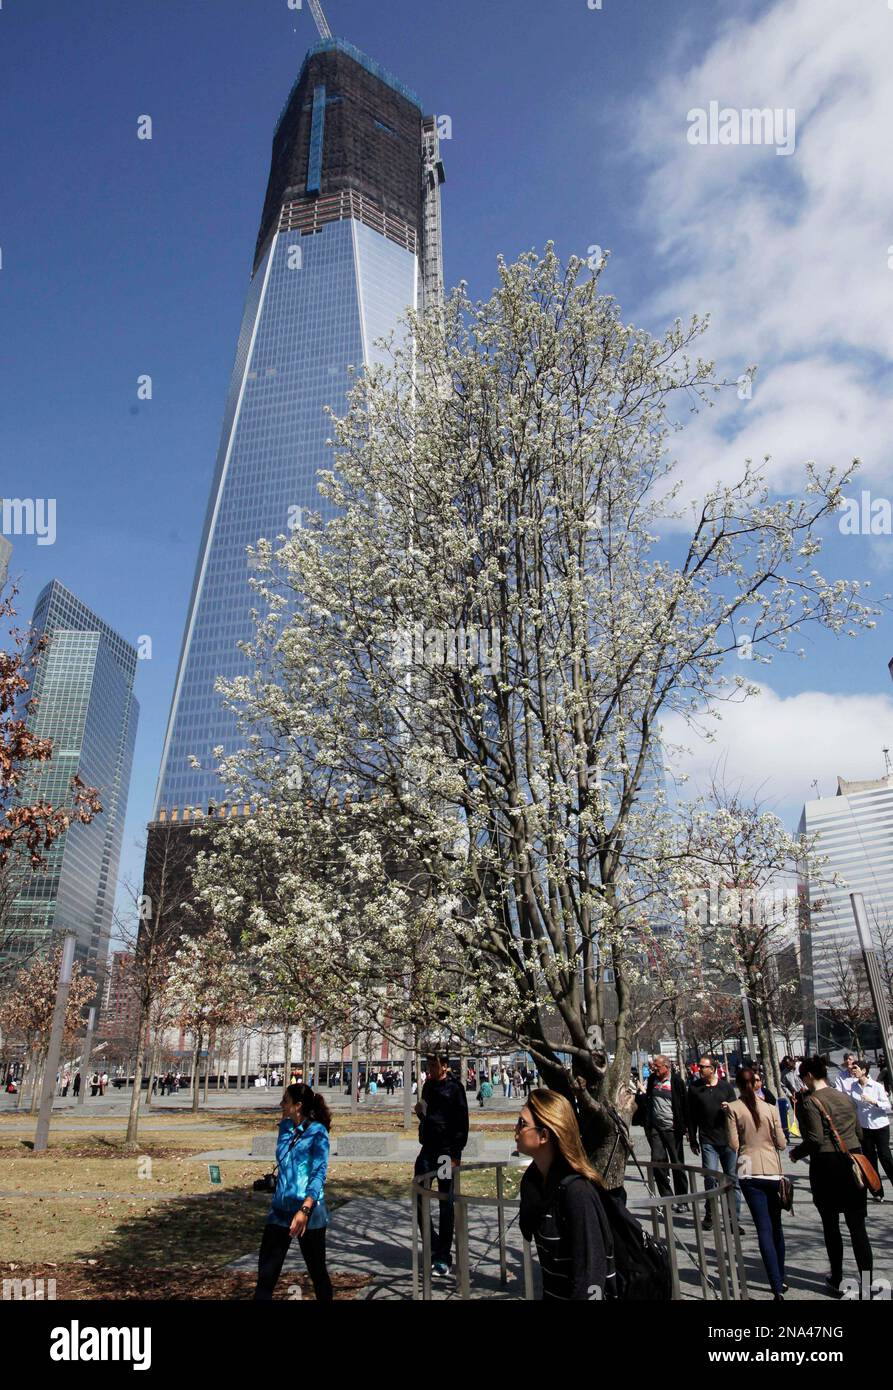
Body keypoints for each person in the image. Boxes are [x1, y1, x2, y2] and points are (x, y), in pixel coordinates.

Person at [517, 1089, 612, 1301]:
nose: (516, 1130)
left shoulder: (577, 1193)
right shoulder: (533, 1182)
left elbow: (591, 1273)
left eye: (522, 1124)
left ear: (544, 1135)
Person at [790, 1056, 873, 1298]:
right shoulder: (844, 1097)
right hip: (854, 1161)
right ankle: (867, 1284)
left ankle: (837, 1278)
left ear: (807, 1077)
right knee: (858, 1228)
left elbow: (815, 1139)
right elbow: (858, 1131)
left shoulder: (811, 1102)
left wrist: (796, 1153)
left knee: (831, 1225)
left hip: (828, 1166)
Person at [254, 1083, 333, 1301]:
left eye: (285, 1101)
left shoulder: (318, 1133)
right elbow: (287, 1162)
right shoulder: (285, 1127)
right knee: (266, 1276)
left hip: (308, 1212)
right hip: (280, 1209)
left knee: (317, 1272)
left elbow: (318, 1174)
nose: (281, 1104)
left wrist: (305, 1209)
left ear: (298, 1105)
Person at [725, 1067, 789, 1299]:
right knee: (776, 1226)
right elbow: (782, 1143)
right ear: (756, 1084)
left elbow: (733, 1143)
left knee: (763, 1228)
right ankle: (780, 1278)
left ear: (738, 1085)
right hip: (771, 1167)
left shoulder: (733, 1108)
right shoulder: (771, 1109)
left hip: (747, 1167)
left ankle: (775, 1284)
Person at [414, 1052, 469, 1277]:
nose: (430, 1068)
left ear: (444, 1066)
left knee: (445, 1202)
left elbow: (462, 1122)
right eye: (428, 1064)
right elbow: (429, 1116)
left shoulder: (455, 1089)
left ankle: (443, 1256)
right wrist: (421, 1115)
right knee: (419, 1197)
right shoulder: (428, 1086)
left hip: (447, 1153)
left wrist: (456, 1153)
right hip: (427, 1150)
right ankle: (434, 1245)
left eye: (433, 1064)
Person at [687, 1056, 740, 1230]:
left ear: (713, 1069)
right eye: (699, 1067)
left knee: (732, 1178)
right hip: (707, 1139)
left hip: (727, 1139)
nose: (700, 1070)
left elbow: (737, 1111)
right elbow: (692, 1115)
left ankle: (733, 1218)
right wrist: (693, 1139)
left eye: (703, 1067)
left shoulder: (725, 1087)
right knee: (710, 1177)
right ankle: (710, 1213)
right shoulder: (695, 1088)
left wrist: (729, 1109)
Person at [634, 1055, 689, 1207]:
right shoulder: (652, 1080)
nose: (654, 1069)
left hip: (672, 1129)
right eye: (654, 1067)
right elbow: (648, 1099)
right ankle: (667, 1197)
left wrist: (688, 1129)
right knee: (657, 1162)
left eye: (657, 1067)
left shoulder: (677, 1082)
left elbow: (685, 1106)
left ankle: (682, 1199)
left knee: (677, 1164)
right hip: (656, 1129)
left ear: (666, 1066)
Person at [849, 1059, 893, 1201]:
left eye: (855, 1068)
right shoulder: (853, 1087)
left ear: (864, 1070)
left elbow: (888, 1106)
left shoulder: (876, 1086)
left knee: (885, 1157)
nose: (853, 1070)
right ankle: (877, 1192)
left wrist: (873, 1102)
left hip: (880, 1126)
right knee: (870, 1160)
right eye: (852, 1068)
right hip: (864, 1128)